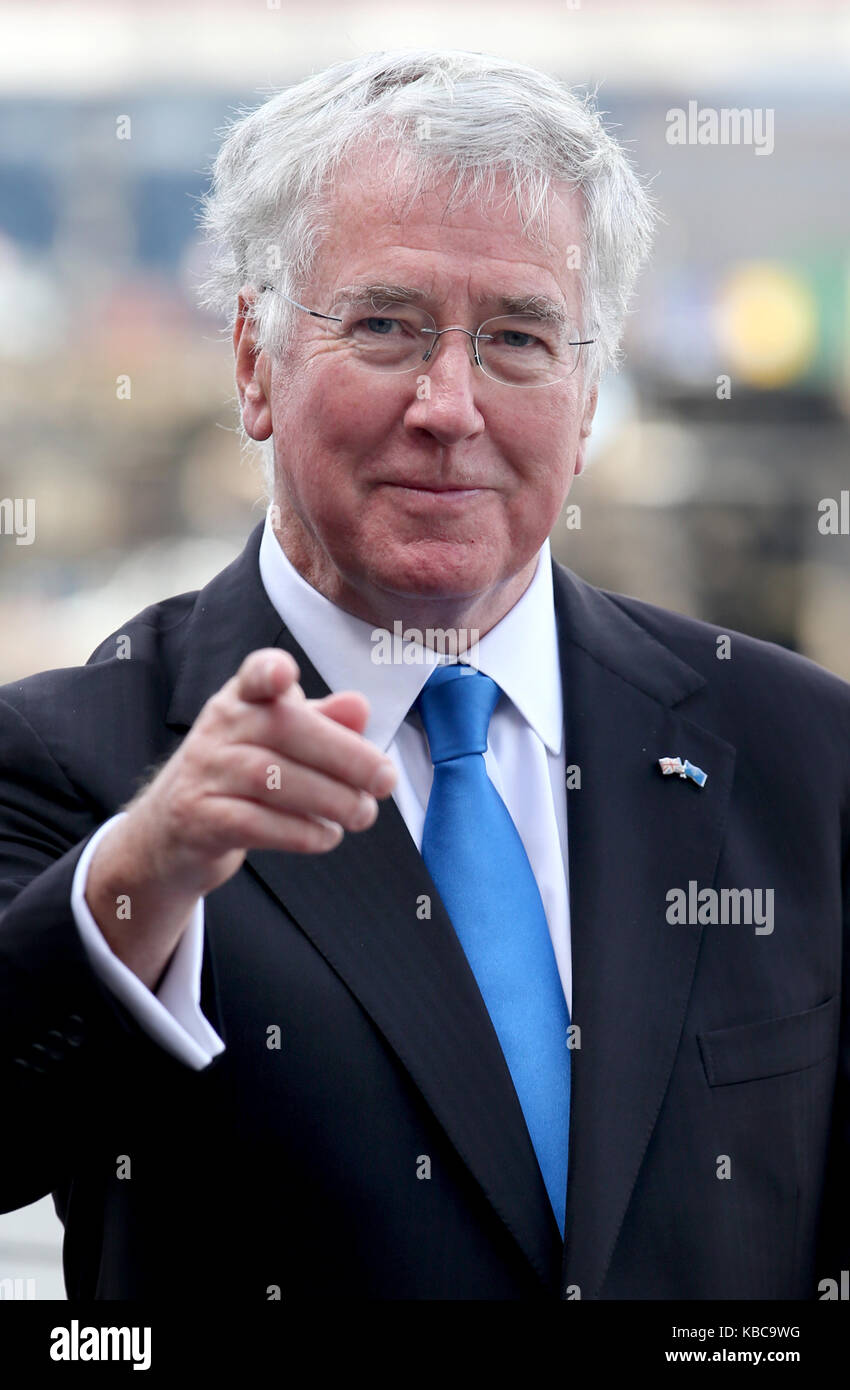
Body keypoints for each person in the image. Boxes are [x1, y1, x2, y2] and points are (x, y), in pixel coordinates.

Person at [1, 48, 847, 1302]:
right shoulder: (76, 758)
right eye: (386, 326)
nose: (449, 405)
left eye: (517, 337)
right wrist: (146, 867)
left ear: (588, 391)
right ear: (253, 361)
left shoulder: (800, 753)